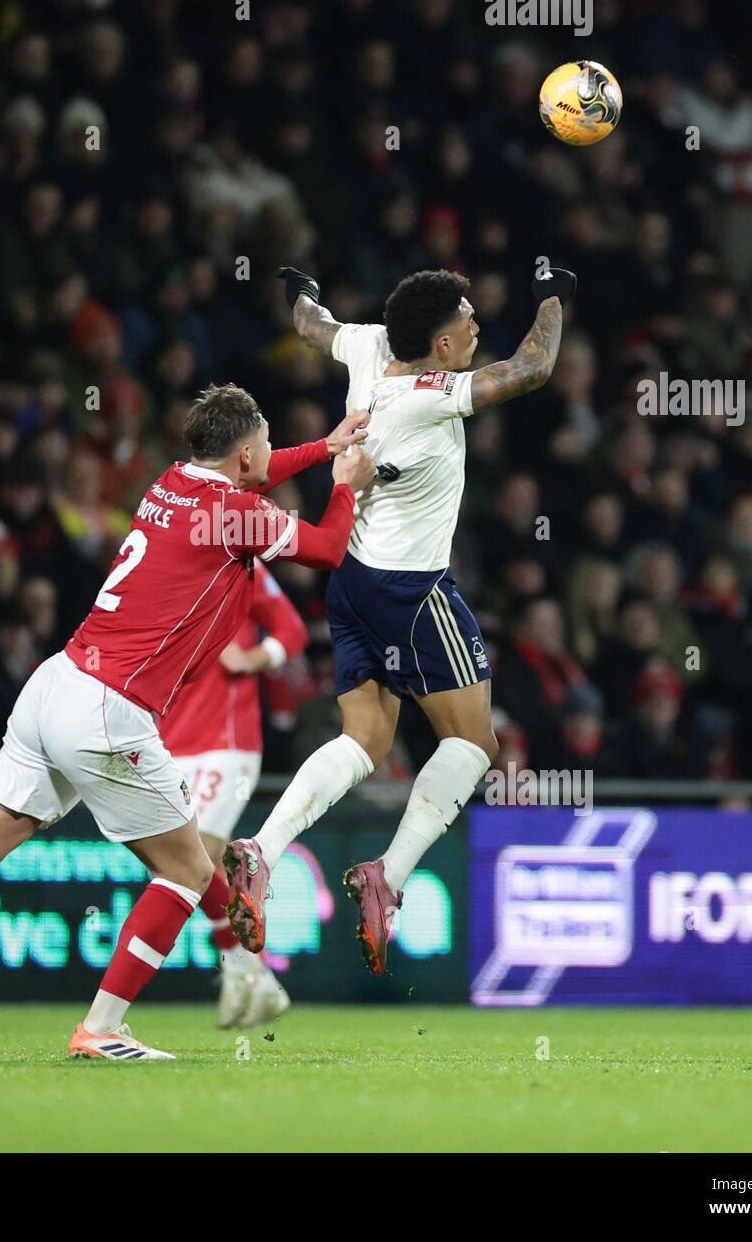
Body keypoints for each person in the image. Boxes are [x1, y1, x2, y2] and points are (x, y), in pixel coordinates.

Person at [0, 384, 374, 1060]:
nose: (272, 451)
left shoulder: (170, 481)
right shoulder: (239, 515)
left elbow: (257, 468)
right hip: (111, 710)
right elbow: (327, 550)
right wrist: (345, 482)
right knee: (186, 870)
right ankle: (102, 1027)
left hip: (55, 684)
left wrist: (324, 447)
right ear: (240, 455)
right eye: (265, 438)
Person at [224, 263, 575, 974]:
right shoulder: (431, 396)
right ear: (441, 349)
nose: (477, 325)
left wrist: (304, 290)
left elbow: (309, 327)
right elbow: (534, 368)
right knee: (476, 744)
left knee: (366, 740)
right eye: (467, 321)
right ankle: (389, 874)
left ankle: (262, 850)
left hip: (350, 578)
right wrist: (555, 294)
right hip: (412, 591)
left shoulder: (365, 343)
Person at [159, 560, 307, 1028]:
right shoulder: (157, 566)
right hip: (165, 738)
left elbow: (292, 629)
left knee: (194, 857)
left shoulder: (240, 564)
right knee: (181, 866)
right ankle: (247, 970)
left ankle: (247, 972)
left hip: (226, 744)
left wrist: (254, 658)